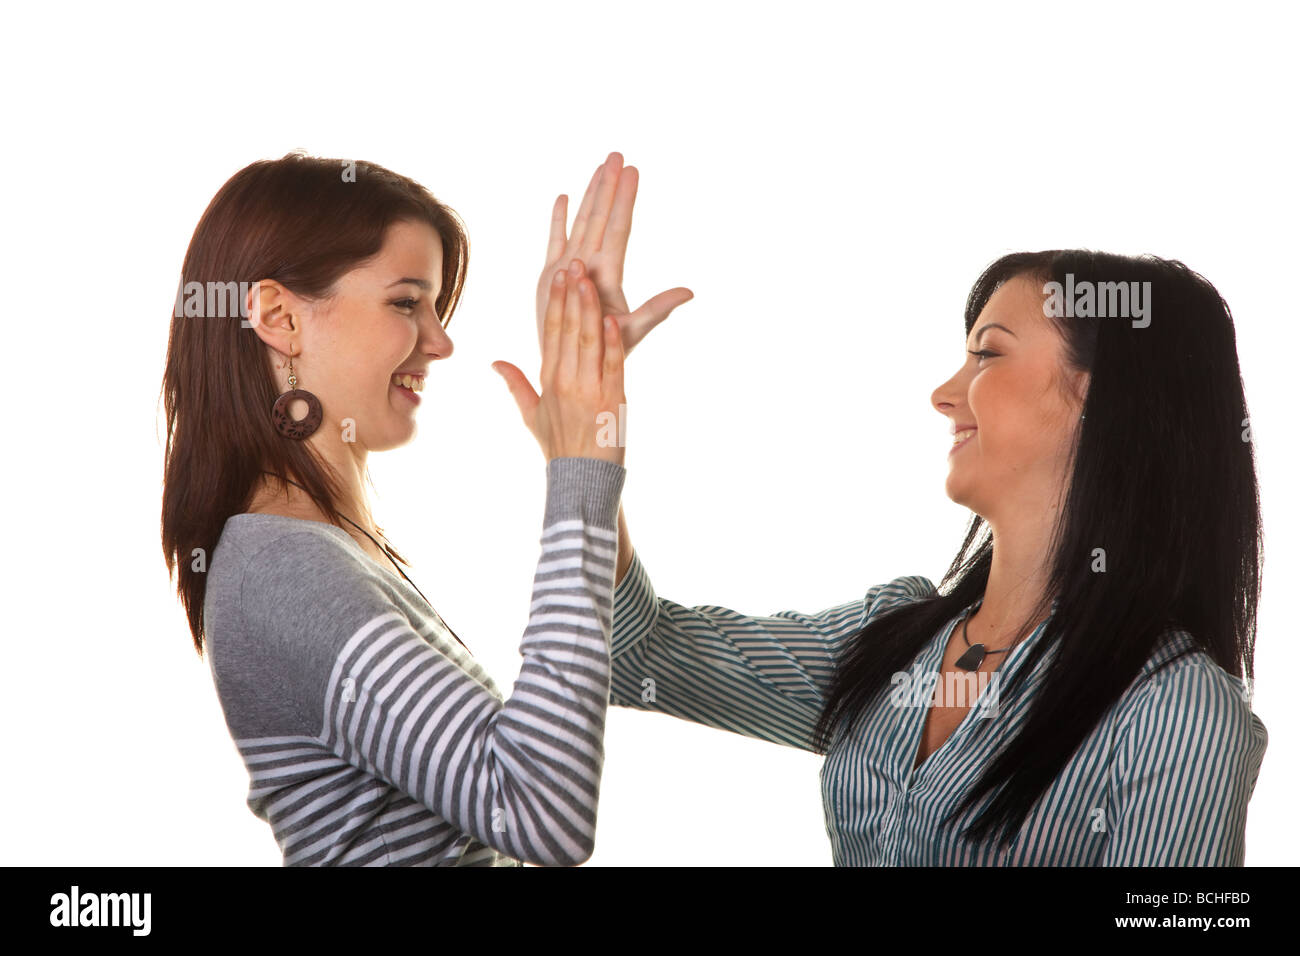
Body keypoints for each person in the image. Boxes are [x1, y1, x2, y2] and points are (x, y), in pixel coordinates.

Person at [556, 156, 1267, 865]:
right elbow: (630, 651)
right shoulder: (891, 642)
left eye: (987, 355)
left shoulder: (1180, 712)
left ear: (1099, 398)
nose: (945, 393)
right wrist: (589, 439)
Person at [160, 151, 627, 866]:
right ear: (280, 316)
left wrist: (587, 420)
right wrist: (580, 469)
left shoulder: (316, 548)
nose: (440, 342)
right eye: (407, 302)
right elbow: (541, 811)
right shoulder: (283, 569)